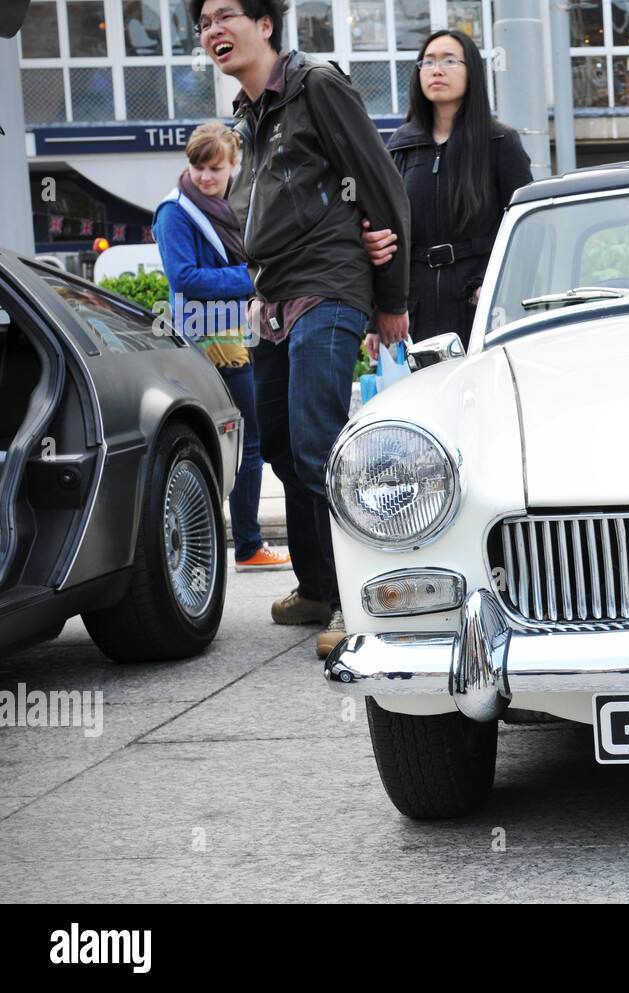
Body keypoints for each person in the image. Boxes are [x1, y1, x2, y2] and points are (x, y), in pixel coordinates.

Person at [192, 0, 410, 658]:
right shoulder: (246, 115)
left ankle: (357, 601)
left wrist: (391, 300)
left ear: (265, 23)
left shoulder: (316, 85)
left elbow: (381, 183)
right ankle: (316, 585)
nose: (213, 31)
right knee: (283, 446)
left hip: (331, 286)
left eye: (226, 14)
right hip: (275, 299)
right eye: (203, 23)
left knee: (319, 445)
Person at [152, 121, 292, 574]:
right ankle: (247, 545)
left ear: (234, 166)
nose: (205, 177)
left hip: (242, 337)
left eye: (215, 168)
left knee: (244, 443)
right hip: (210, 343)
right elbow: (185, 279)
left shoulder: (233, 204)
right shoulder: (176, 212)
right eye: (198, 167)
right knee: (242, 445)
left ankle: (243, 544)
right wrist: (254, 277)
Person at [361, 28, 532, 353]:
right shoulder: (401, 146)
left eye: (450, 60)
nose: (436, 69)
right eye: (427, 62)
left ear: (473, 72)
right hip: (414, 311)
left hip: (480, 305)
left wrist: (497, 287)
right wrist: (377, 314)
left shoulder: (499, 143)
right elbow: (385, 234)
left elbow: (524, 227)